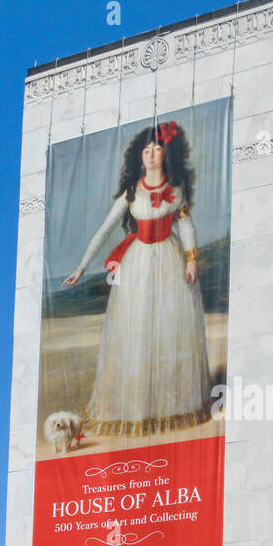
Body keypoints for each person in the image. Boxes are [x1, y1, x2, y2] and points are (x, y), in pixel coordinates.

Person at [62, 120, 212, 437]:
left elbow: (185, 225)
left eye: (157, 148)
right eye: (146, 149)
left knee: (169, 328)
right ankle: (137, 404)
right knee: (137, 328)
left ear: (166, 153)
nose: (151, 154)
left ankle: (168, 404)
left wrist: (191, 258)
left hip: (169, 260)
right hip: (138, 263)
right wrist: (81, 265)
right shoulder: (132, 192)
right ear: (139, 156)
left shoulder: (176, 189)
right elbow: (104, 230)